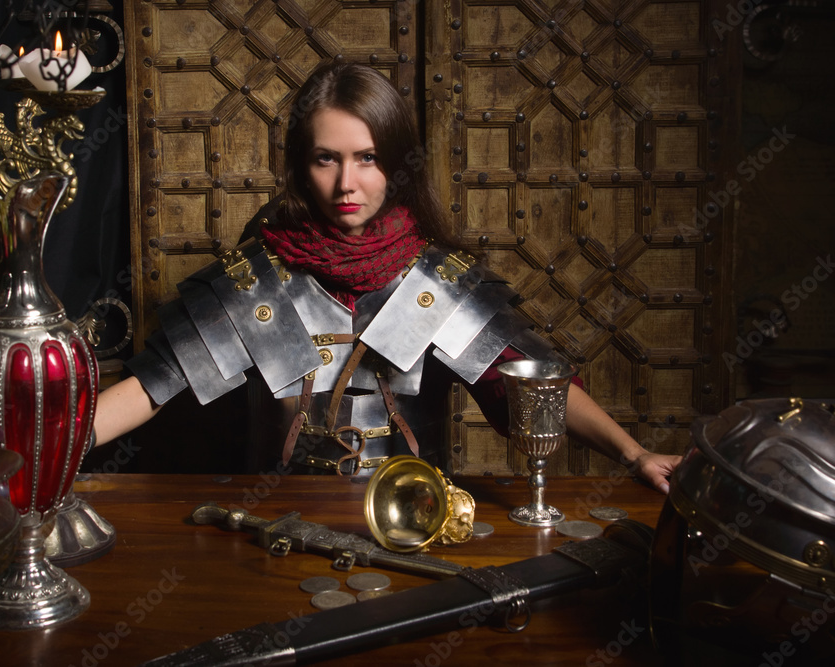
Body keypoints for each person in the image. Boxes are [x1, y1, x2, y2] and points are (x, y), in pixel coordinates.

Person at [94, 62, 680, 493]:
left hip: (414, 519)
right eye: (327, 158)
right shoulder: (253, 278)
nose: (346, 182)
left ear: (395, 163)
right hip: (272, 521)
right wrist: (39, 454)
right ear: (302, 165)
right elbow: (149, 389)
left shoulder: (437, 281)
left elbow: (529, 386)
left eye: (367, 157)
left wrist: (633, 455)